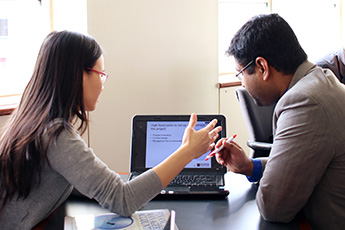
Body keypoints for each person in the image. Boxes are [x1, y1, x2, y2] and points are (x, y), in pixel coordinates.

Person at [0, 31, 222, 229]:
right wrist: (187, 152)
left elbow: (70, 182)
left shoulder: (34, 121)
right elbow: (123, 201)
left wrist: (103, 183)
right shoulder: (56, 135)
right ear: (79, 75)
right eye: (101, 73)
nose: (103, 84)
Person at [215, 14, 345, 229]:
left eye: (241, 74)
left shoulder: (304, 102)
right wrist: (249, 166)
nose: (242, 84)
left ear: (262, 67)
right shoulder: (321, 81)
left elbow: (274, 207)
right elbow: (299, 163)